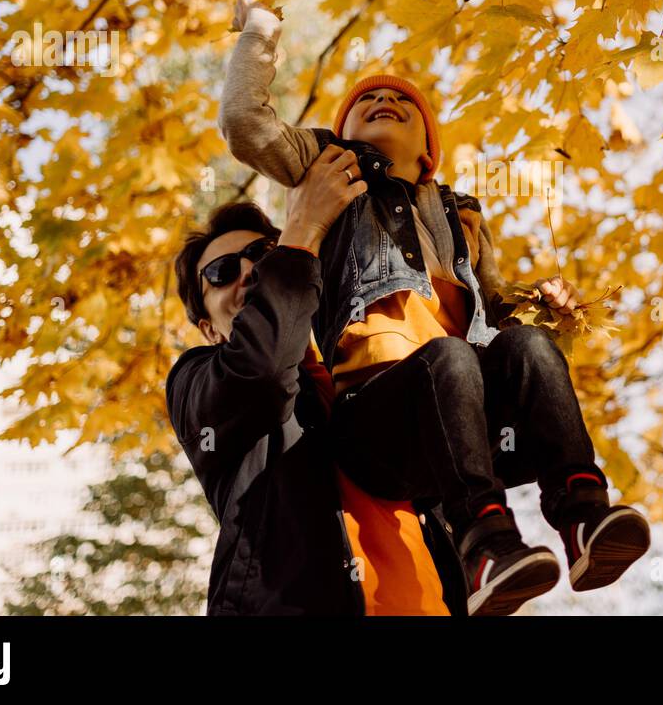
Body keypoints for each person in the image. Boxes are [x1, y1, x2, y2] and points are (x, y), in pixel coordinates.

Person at [216, 0, 650, 615]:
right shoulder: (332, 170)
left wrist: (545, 308)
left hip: (460, 422)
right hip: (375, 422)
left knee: (528, 346)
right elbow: (244, 123)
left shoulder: (461, 217)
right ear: (338, 135)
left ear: (429, 148)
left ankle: (581, 514)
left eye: (402, 102)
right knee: (447, 358)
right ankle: (485, 544)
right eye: (366, 100)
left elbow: (495, 313)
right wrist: (259, 30)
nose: (383, 101)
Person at [167, 150, 470, 615]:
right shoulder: (197, 381)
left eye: (260, 255)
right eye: (221, 273)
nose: (247, 272)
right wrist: (303, 230)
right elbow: (262, 371)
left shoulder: (361, 363)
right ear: (207, 327)